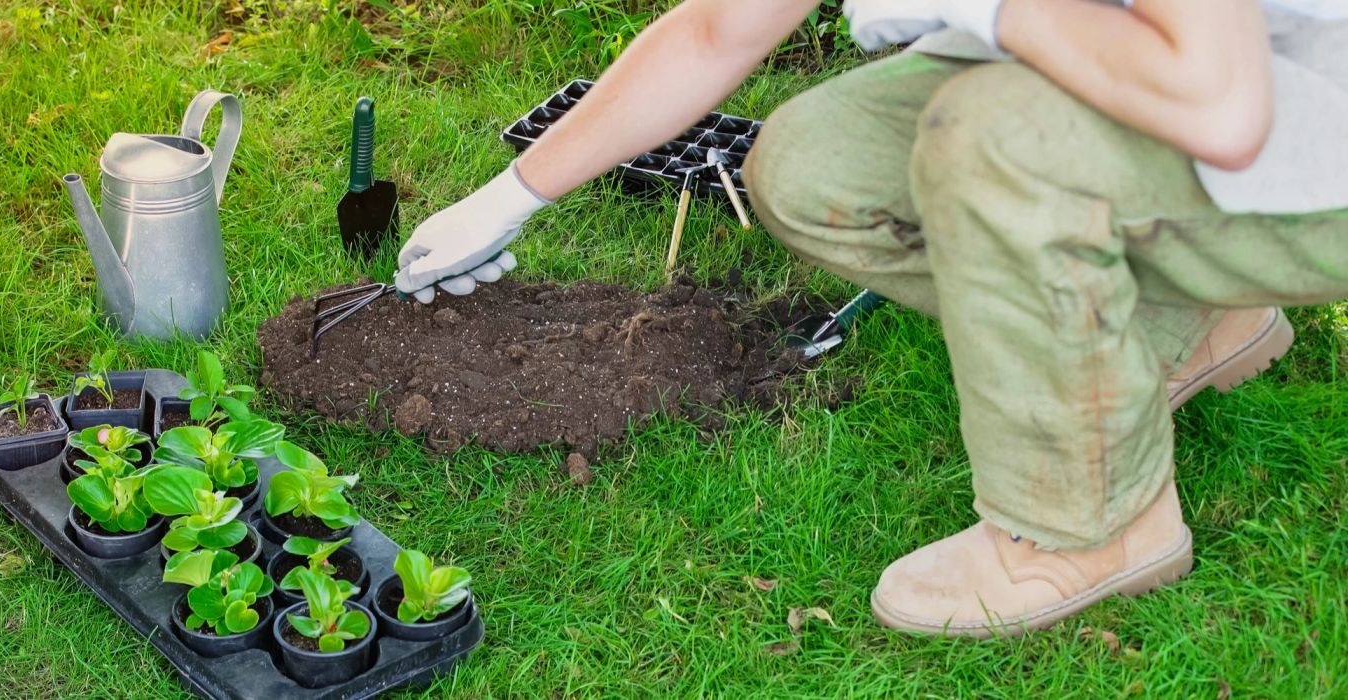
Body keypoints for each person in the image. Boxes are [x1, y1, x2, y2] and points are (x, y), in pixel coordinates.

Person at [392, 0, 1348, 637]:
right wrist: (508, 197)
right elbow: (715, 29)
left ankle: (1091, 522)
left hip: (1313, 129)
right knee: (815, 166)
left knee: (993, 141)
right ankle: (1190, 322)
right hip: (1176, 104)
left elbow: (1219, 105)